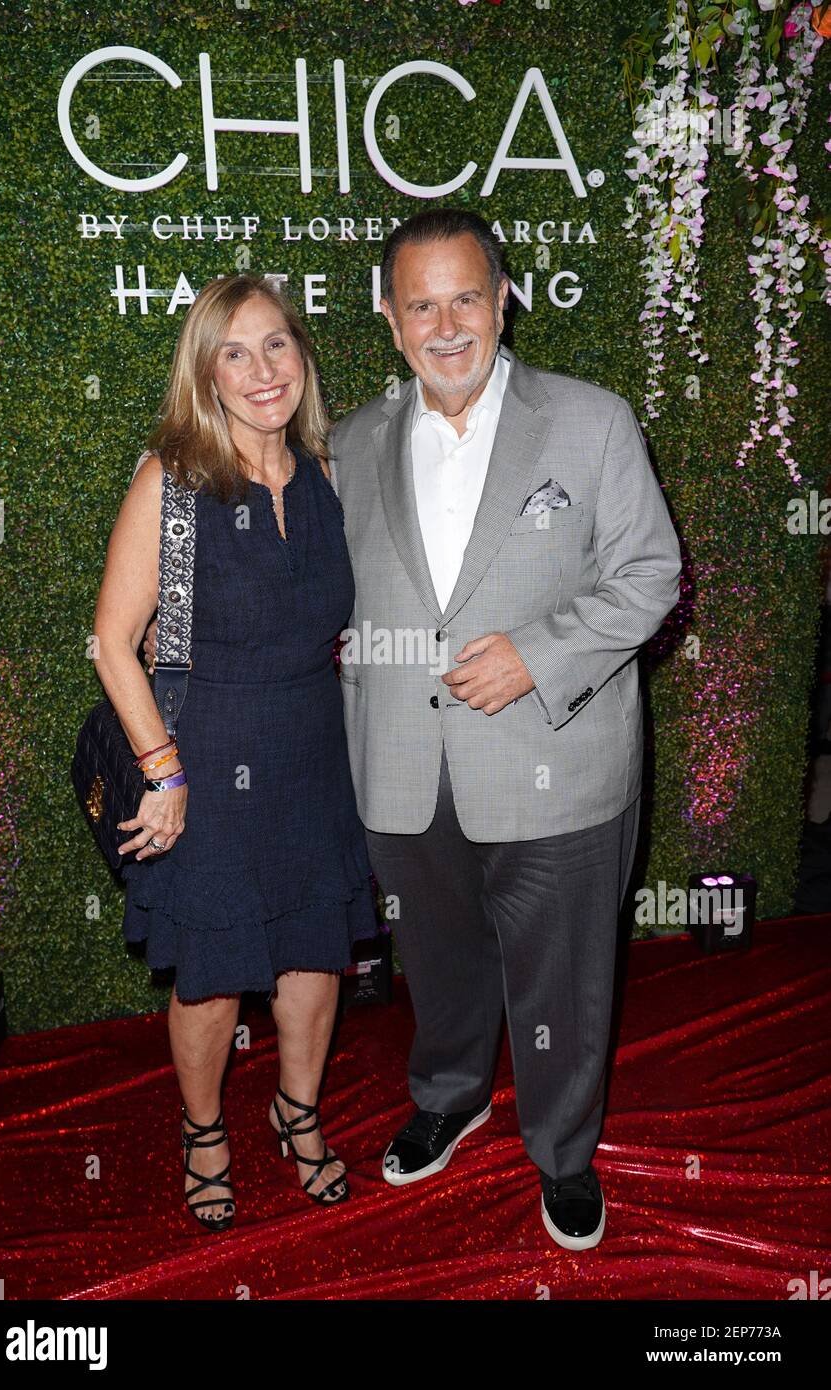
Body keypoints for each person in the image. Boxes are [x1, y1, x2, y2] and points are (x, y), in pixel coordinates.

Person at [327, 208, 683, 1250]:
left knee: (562, 972)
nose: (445, 325)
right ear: (389, 319)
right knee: (434, 959)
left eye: (465, 298)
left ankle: (564, 1152)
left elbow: (649, 572)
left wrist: (540, 652)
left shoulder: (592, 421)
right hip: (400, 768)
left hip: (553, 758)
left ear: (503, 299)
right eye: (420, 304)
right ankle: (448, 1091)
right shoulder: (348, 442)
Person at [92, 272, 379, 1233]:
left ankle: (296, 1114)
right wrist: (164, 772)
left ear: (302, 355)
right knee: (211, 975)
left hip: (309, 753)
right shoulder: (173, 479)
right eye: (235, 351)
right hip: (206, 760)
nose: (262, 370)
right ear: (205, 373)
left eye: (277, 345)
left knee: (313, 956)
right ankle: (204, 1131)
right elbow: (113, 641)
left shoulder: (329, 473)